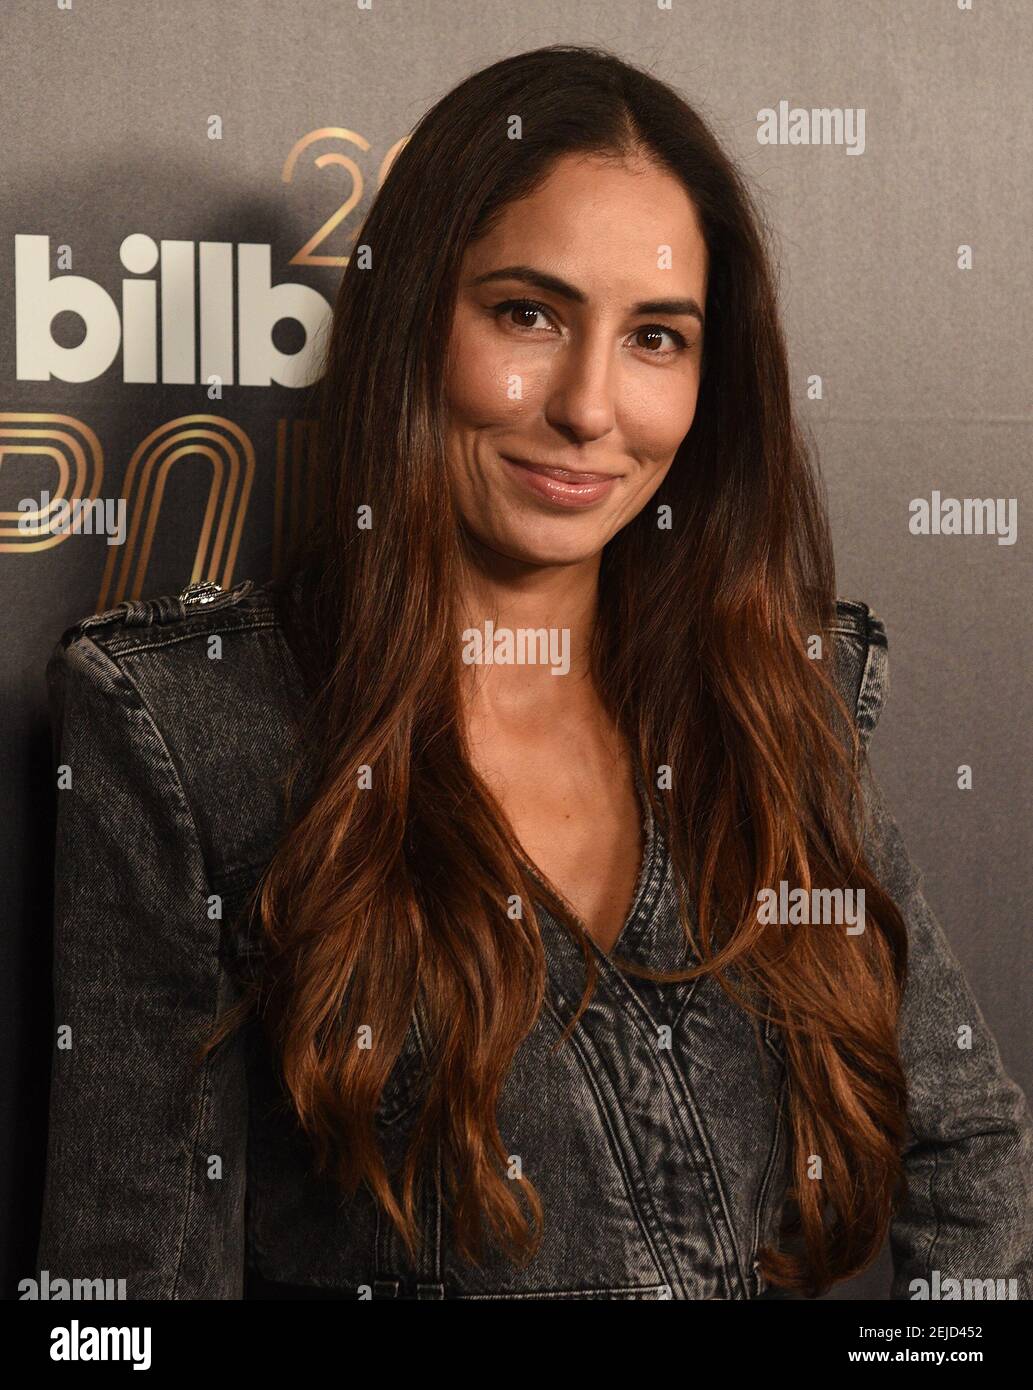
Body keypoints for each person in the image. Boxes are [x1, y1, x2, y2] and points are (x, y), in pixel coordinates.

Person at [34, 44, 1033, 1301]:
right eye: (528, 314)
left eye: (656, 337)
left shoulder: (777, 699)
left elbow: (971, 1150)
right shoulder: (189, 726)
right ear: (410, 320)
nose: (588, 406)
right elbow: (124, 1297)